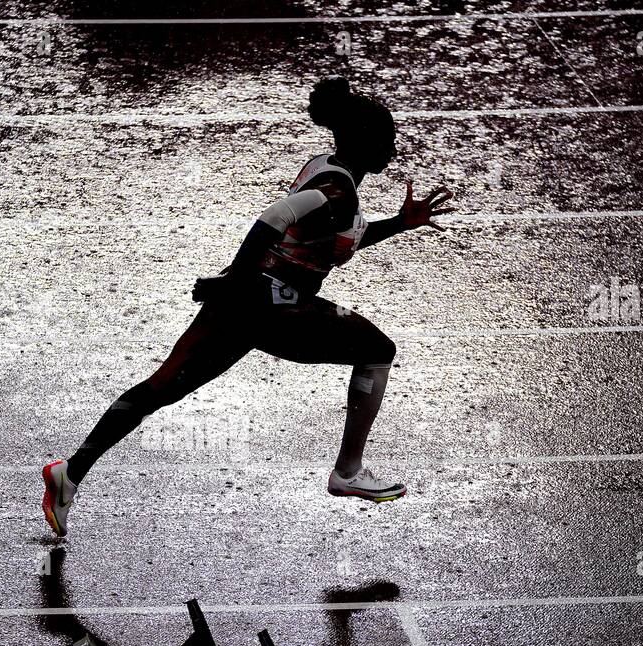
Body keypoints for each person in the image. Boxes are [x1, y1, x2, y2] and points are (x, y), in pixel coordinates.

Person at [42, 76, 455, 536]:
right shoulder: (339, 193)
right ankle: (348, 472)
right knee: (377, 350)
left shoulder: (329, 169)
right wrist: (231, 280)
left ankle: (70, 474)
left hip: (245, 302)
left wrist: (400, 223)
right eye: (388, 142)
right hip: (270, 304)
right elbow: (274, 218)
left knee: (162, 387)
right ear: (365, 142)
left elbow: (328, 236)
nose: (393, 153)